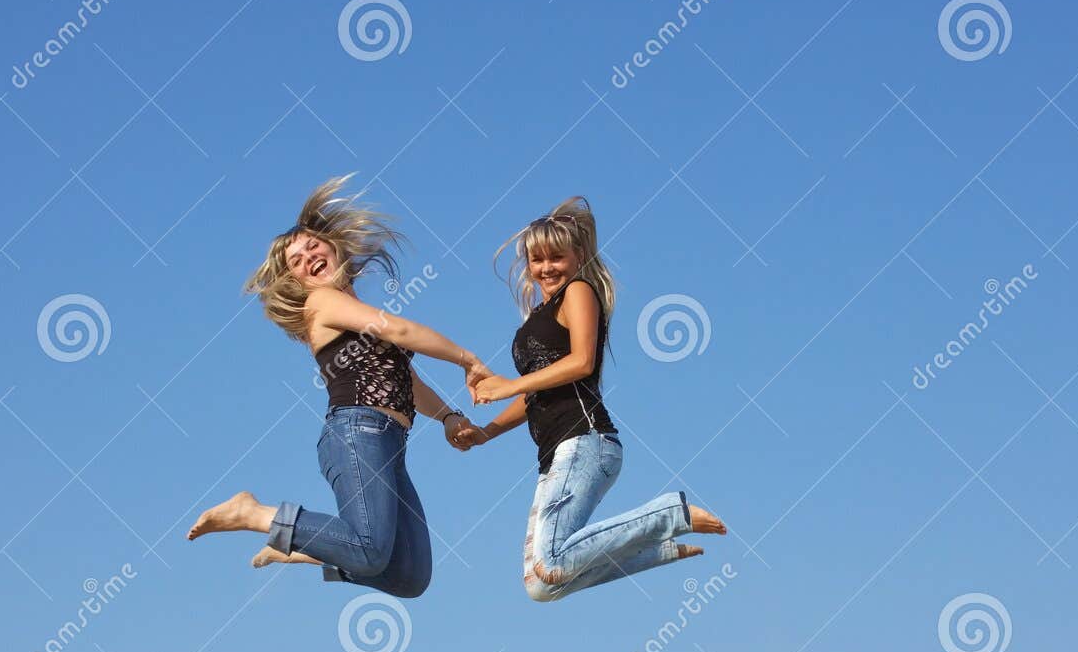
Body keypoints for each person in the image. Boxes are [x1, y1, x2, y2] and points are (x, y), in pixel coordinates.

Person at [187, 176, 487, 598]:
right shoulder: (321, 303)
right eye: (296, 260)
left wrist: (449, 417)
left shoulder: (352, 311)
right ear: (296, 281)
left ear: (334, 248)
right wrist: (467, 359)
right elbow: (399, 328)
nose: (308, 257)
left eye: (313, 247)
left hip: (389, 443)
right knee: (368, 550)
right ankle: (254, 513)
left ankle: (296, 546)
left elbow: (408, 382)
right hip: (355, 434)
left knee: (410, 575)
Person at [463, 197, 726, 601]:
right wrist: (485, 432)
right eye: (537, 259)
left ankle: (670, 514)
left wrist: (506, 385)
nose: (546, 267)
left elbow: (582, 362)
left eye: (556, 257)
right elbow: (537, 389)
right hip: (553, 454)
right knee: (540, 585)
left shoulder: (579, 291)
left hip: (584, 441)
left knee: (549, 563)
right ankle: (661, 548)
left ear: (579, 255)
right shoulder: (539, 313)